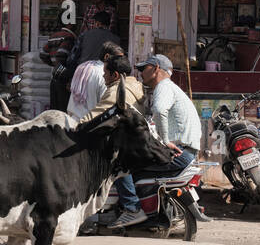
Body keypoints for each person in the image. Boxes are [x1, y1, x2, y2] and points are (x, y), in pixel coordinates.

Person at [104, 54, 202, 230]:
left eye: (144, 69)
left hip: (179, 151)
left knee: (119, 162)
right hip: (186, 150)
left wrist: (164, 141)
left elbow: (159, 109)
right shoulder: (171, 89)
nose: (141, 73)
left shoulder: (163, 87)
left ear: (156, 68)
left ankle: (132, 208)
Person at [77, 52, 145, 125]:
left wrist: (77, 127)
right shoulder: (137, 86)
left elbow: (91, 119)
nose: (103, 76)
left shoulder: (115, 92)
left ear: (115, 75)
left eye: (105, 73)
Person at [68, 42, 123, 120]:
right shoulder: (105, 74)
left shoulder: (82, 67)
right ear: (106, 56)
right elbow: (105, 105)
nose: (121, 62)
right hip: (90, 124)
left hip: (72, 120)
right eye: (118, 58)